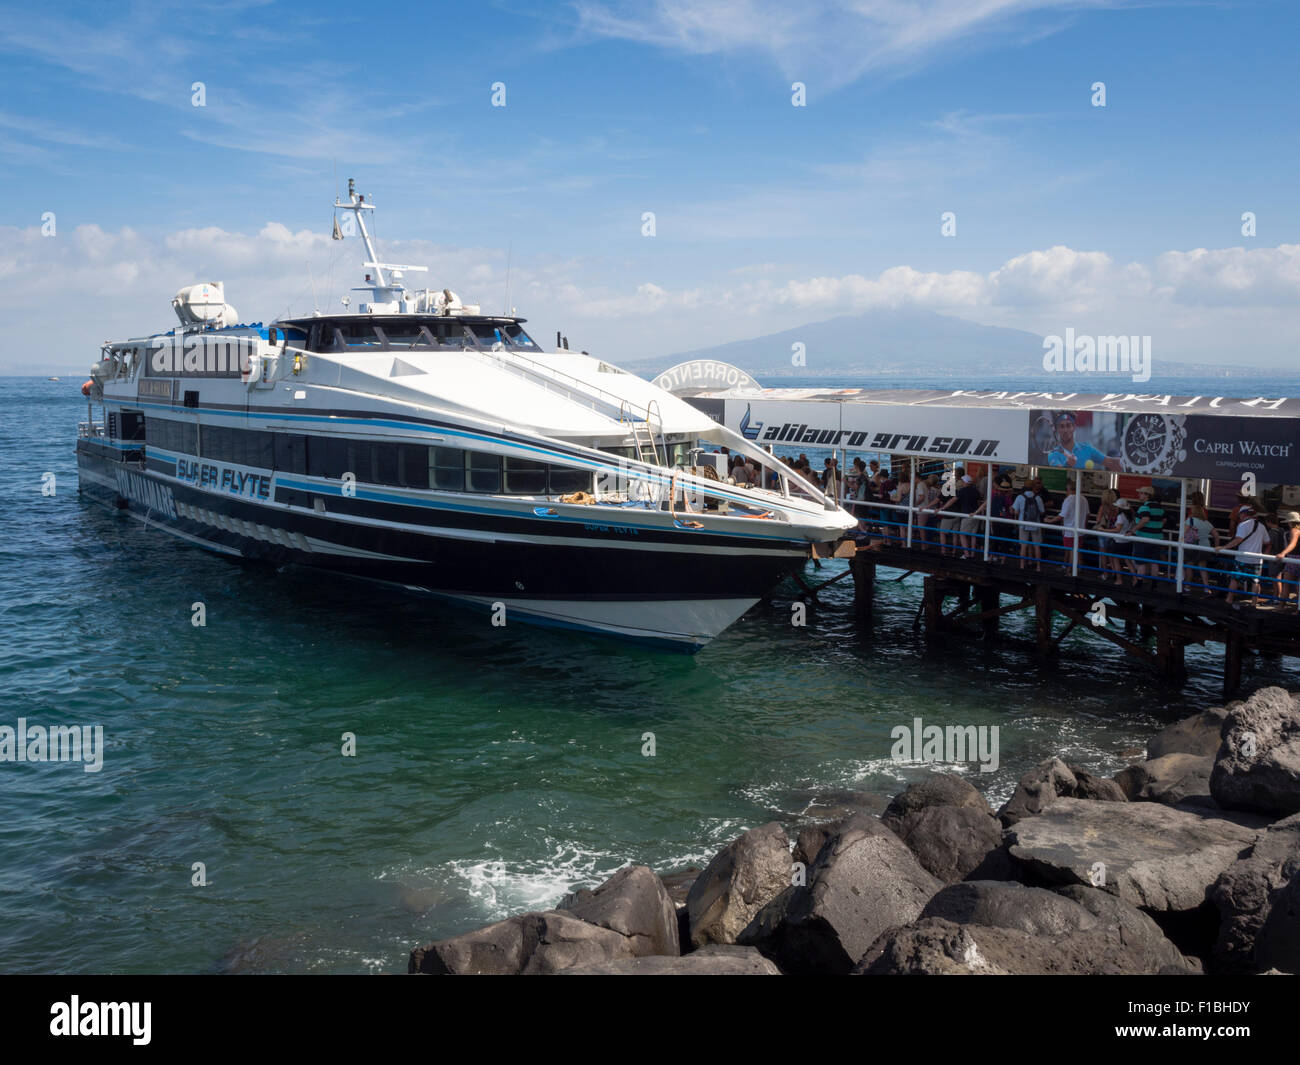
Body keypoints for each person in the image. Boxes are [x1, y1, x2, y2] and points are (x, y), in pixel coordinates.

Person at [1216, 504, 1268, 608]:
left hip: (1242, 558)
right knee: (1255, 582)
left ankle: (1229, 599)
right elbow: (1267, 541)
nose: (1239, 517)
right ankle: (1253, 604)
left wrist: (1224, 547)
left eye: (1240, 514)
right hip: (1257, 559)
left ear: (1244, 514)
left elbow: (1237, 540)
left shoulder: (1243, 525)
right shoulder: (1262, 526)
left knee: (1235, 579)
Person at [1046, 411, 1121, 470]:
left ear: (1074, 427)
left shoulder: (1087, 448)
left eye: (1068, 426)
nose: (1065, 430)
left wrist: (1128, 461)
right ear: (1058, 429)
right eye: (1062, 426)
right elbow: (1059, 475)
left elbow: (1111, 462)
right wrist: (1068, 464)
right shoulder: (1053, 454)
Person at [1047, 482, 1091, 566]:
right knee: (1078, 550)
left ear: (1069, 490)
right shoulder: (1084, 498)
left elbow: (1061, 516)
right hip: (1080, 530)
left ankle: (1069, 570)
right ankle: (1079, 568)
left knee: (1071, 551)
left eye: (1066, 490)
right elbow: (1087, 514)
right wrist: (1084, 526)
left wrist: (1049, 521)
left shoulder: (1068, 500)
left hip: (1070, 530)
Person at [1131, 485, 1167, 586]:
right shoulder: (1159, 507)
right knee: (1154, 561)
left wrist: (1133, 530)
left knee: (1141, 561)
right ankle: (1154, 584)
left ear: (1146, 495)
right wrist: (1156, 527)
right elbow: (1164, 520)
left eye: (1141, 493)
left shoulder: (1145, 506)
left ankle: (1139, 582)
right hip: (1157, 538)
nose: (1139, 495)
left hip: (1143, 538)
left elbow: (1145, 519)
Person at [1182, 491, 1217, 594]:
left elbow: (1183, 533)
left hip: (1193, 547)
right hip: (1205, 547)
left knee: (1189, 566)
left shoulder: (1190, 520)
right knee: (1203, 568)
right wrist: (1216, 546)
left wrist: (1179, 543)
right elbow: (1216, 535)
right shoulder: (1207, 522)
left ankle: (1187, 587)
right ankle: (1207, 589)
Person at [1099, 498, 1135, 582]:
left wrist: (1104, 530)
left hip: (1119, 541)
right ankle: (1135, 578)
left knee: (1116, 561)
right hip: (1128, 541)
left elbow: (1117, 530)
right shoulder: (1130, 516)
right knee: (1128, 561)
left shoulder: (1120, 516)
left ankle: (1119, 580)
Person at [1011, 483, 1045, 571]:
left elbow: (1015, 511)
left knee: (1023, 545)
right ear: (1033, 488)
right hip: (1035, 524)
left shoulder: (1020, 497)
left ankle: (1022, 566)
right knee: (1037, 546)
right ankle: (1038, 567)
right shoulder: (1038, 498)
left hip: (1023, 524)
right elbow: (1042, 512)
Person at [1276, 510, 1300, 611]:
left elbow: (1293, 544)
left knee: (1286, 584)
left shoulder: (1294, 531)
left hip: (1293, 559)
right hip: (1297, 559)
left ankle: (1281, 606)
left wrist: (1283, 553)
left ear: (1290, 522)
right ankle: (1297, 609)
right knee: (1298, 587)